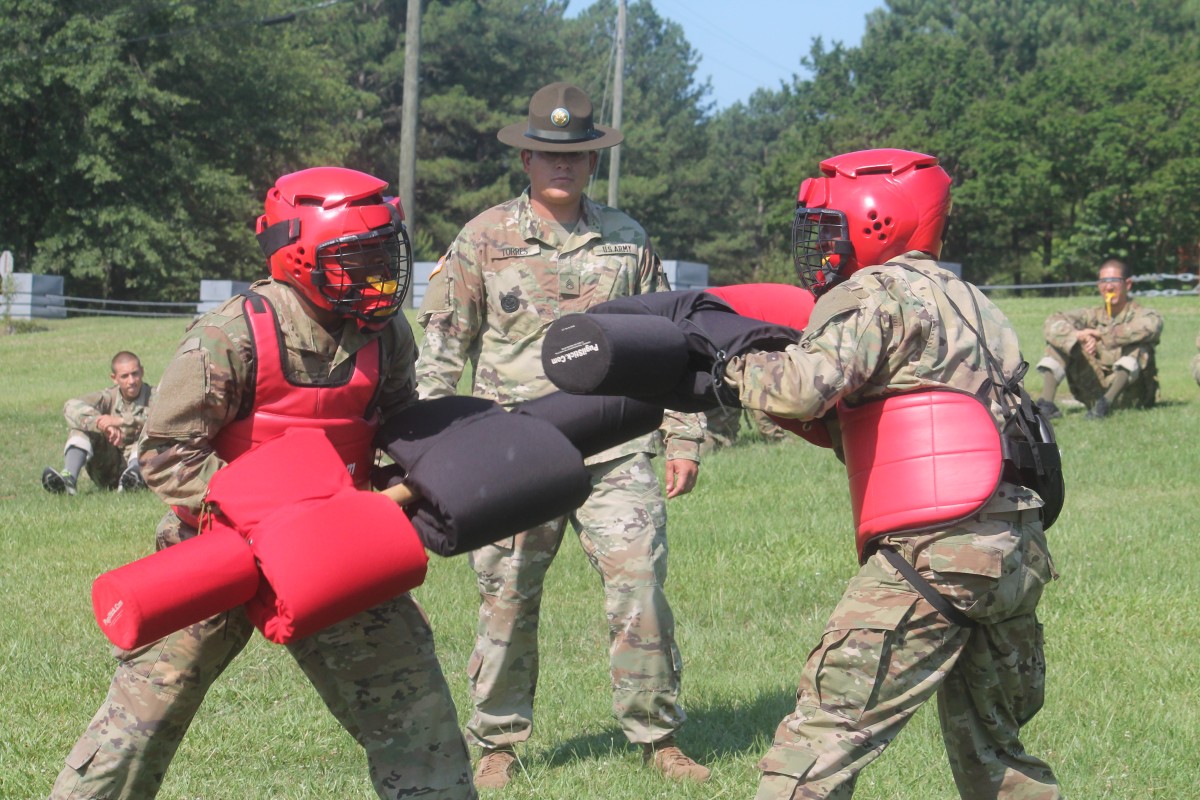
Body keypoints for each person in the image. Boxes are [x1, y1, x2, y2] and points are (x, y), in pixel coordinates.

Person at [48, 167, 476, 800]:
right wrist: (274, 523)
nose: (378, 275)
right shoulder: (232, 333)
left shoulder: (386, 334)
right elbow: (165, 453)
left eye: (385, 255)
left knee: (418, 717)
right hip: (218, 553)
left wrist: (450, 462)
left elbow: (394, 428)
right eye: (356, 259)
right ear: (300, 255)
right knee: (135, 727)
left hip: (336, 553)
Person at [718, 149, 1062, 798]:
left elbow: (798, 388)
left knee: (813, 751)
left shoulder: (875, 293)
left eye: (829, 224)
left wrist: (723, 368)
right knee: (995, 758)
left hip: (934, 553)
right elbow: (913, 422)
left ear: (878, 217)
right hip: (1013, 553)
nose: (820, 243)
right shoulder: (974, 301)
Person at [416, 82, 709, 788]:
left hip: (615, 442)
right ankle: (497, 743)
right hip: (514, 446)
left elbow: (671, 343)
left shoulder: (628, 239)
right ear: (526, 159)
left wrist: (685, 433)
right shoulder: (483, 239)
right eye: (549, 154)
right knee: (507, 593)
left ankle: (657, 736)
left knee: (638, 583)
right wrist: (430, 448)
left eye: (576, 154)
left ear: (589, 160)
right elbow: (442, 345)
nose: (563, 166)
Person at [1035, 258, 1163, 420]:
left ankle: (1105, 404)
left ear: (1128, 284)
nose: (1108, 287)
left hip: (1133, 395)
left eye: (1114, 281)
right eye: (1103, 281)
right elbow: (1052, 322)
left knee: (1138, 347)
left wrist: (1101, 335)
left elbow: (1150, 327)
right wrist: (1078, 336)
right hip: (1093, 391)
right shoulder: (1091, 315)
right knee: (1060, 343)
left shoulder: (1143, 314)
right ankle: (1046, 405)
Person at [42, 351, 154, 495]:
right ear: (114, 378)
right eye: (125, 376)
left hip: (144, 468)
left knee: (149, 437)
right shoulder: (107, 397)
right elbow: (71, 406)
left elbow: (165, 420)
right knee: (82, 428)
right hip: (107, 468)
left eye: (135, 373)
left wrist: (121, 421)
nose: (131, 381)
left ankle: (133, 478)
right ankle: (68, 479)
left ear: (142, 371)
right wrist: (101, 423)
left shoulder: (155, 396)